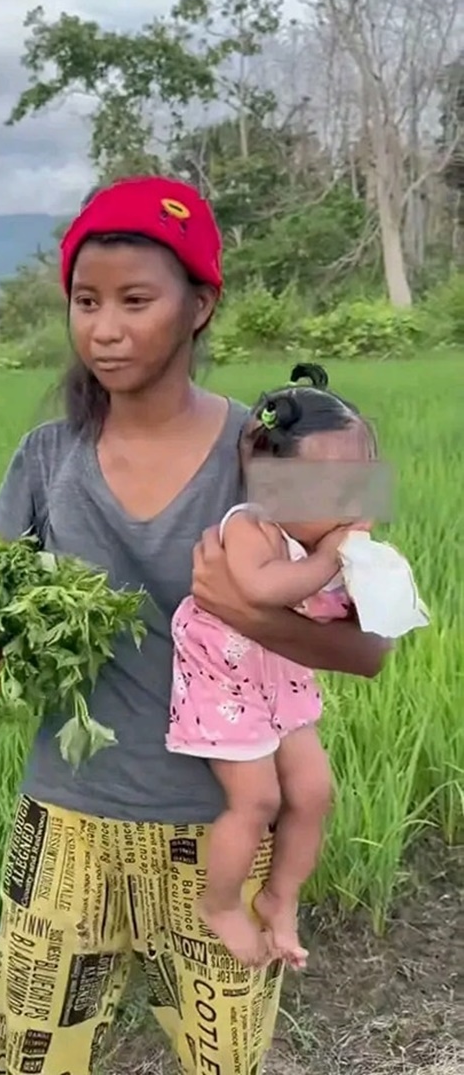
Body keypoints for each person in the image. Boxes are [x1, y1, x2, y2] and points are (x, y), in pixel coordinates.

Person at [0, 175, 390, 1075]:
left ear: (200, 305)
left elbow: (372, 647)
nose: (106, 328)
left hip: (221, 833)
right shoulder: (45, 459)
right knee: (23, 1060)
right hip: (66, 819)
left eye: (136, 300)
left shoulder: (272, 450)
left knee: (223, 1063)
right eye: (86, 302)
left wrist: (247, 610)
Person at [167, 363, 377, 972]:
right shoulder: (249, 527)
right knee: (256, 800)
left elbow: (346, 617)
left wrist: (366, 580)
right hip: (224, 678)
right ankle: (222, 903)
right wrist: (331, 559)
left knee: (314, 791)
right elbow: (262, 591)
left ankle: (281, 893)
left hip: (279, 675)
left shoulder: (325, 540)